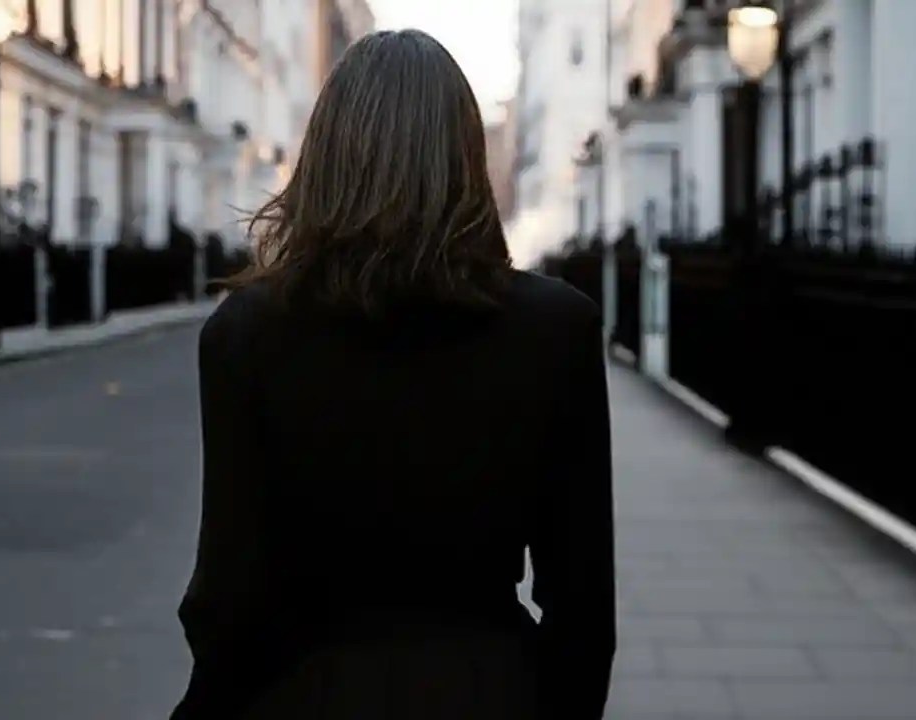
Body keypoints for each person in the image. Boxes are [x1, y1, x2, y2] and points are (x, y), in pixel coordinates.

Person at [170, 29, 615, 720]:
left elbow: (226, 595)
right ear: (463, 156)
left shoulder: (247, 332)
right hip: (490, 688)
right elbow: (583, 604)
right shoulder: (556, 329)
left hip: (303, 690)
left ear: (329, 154)